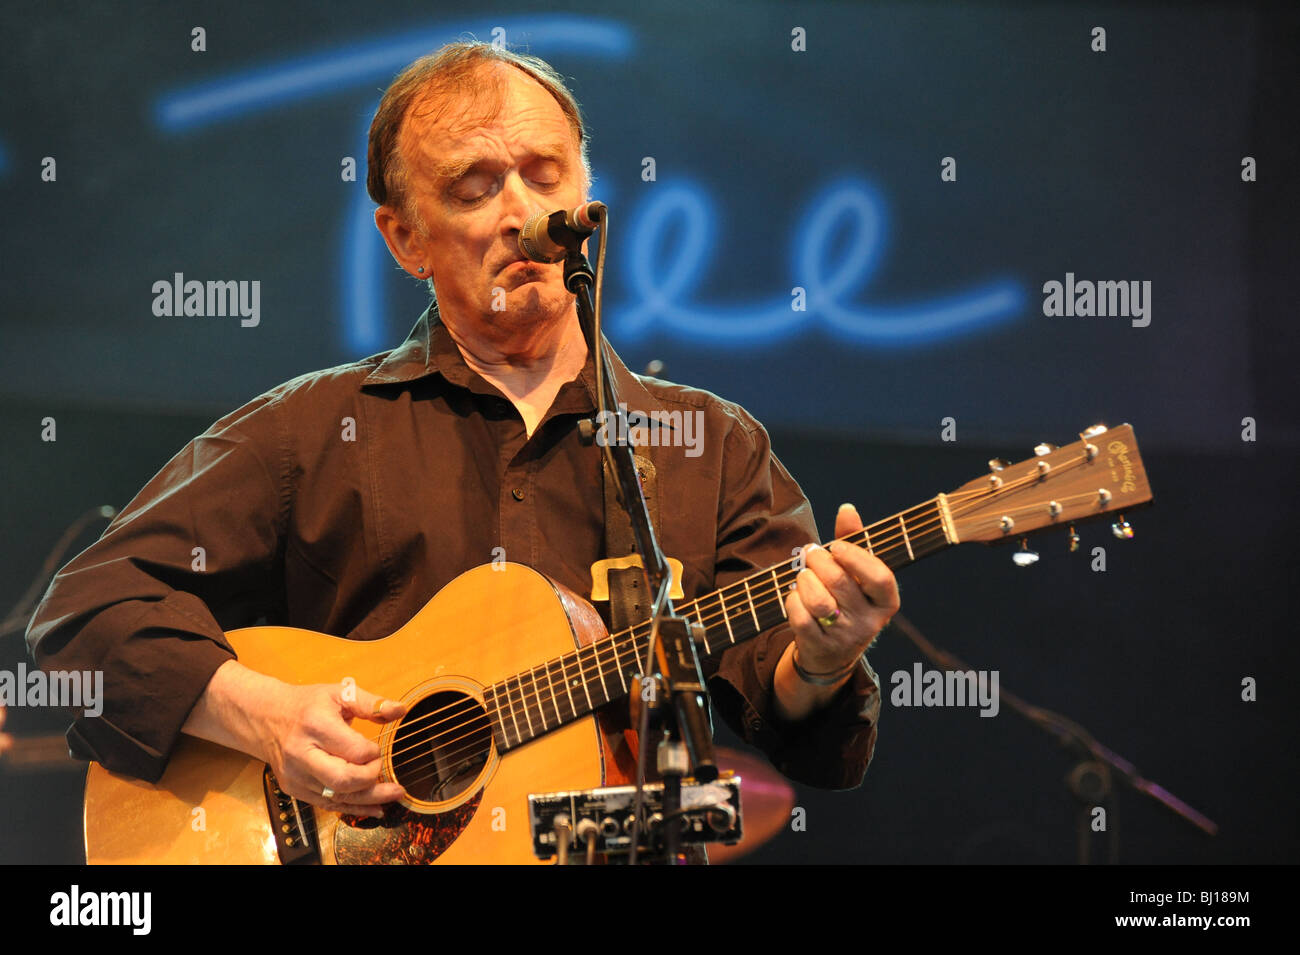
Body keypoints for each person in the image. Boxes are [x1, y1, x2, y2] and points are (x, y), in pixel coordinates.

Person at [26, 42, 899, 833]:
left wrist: (820, 661)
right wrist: (263, 714)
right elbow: (82, 614)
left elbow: (802, 734)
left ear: (587, 200)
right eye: (475, 187)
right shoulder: (307, 431)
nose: (522, 211)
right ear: (405, 237)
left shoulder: (710, 445)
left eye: (545, 174)